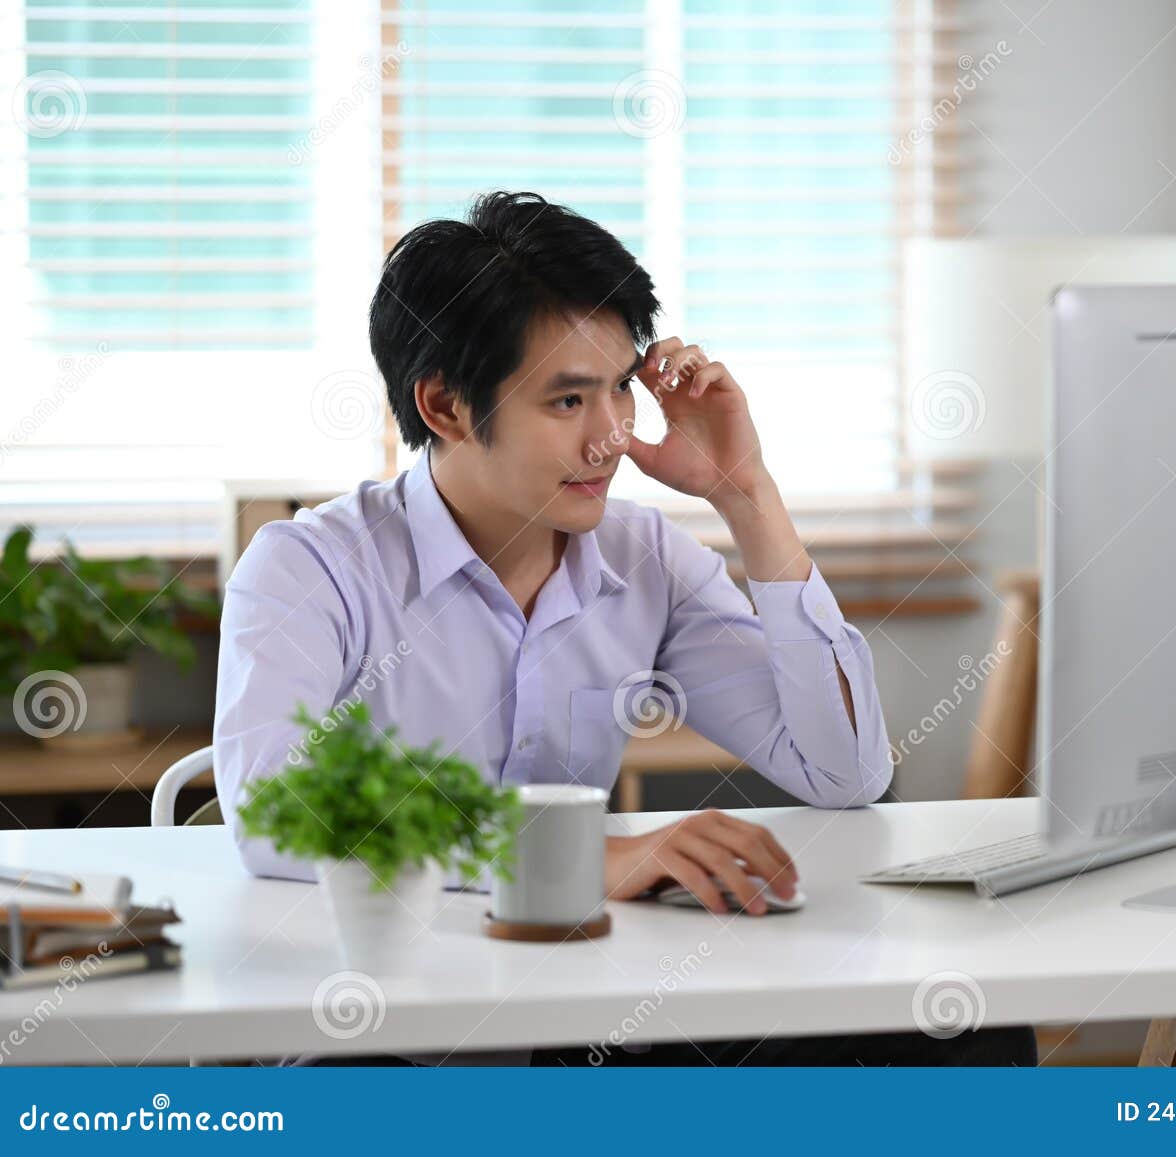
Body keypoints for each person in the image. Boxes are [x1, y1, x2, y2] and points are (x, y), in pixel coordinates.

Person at [213, 190, 1035, 1067]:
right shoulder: (310, 567)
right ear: (446, 406)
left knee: (963, 1030)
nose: (612, 438)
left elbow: (846, 773)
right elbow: (273, 810)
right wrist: (573, 861)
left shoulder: (646, 558)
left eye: (620, 392)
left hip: (578, 1025)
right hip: (377, 1036)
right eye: (568, 401)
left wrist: (747, 494)